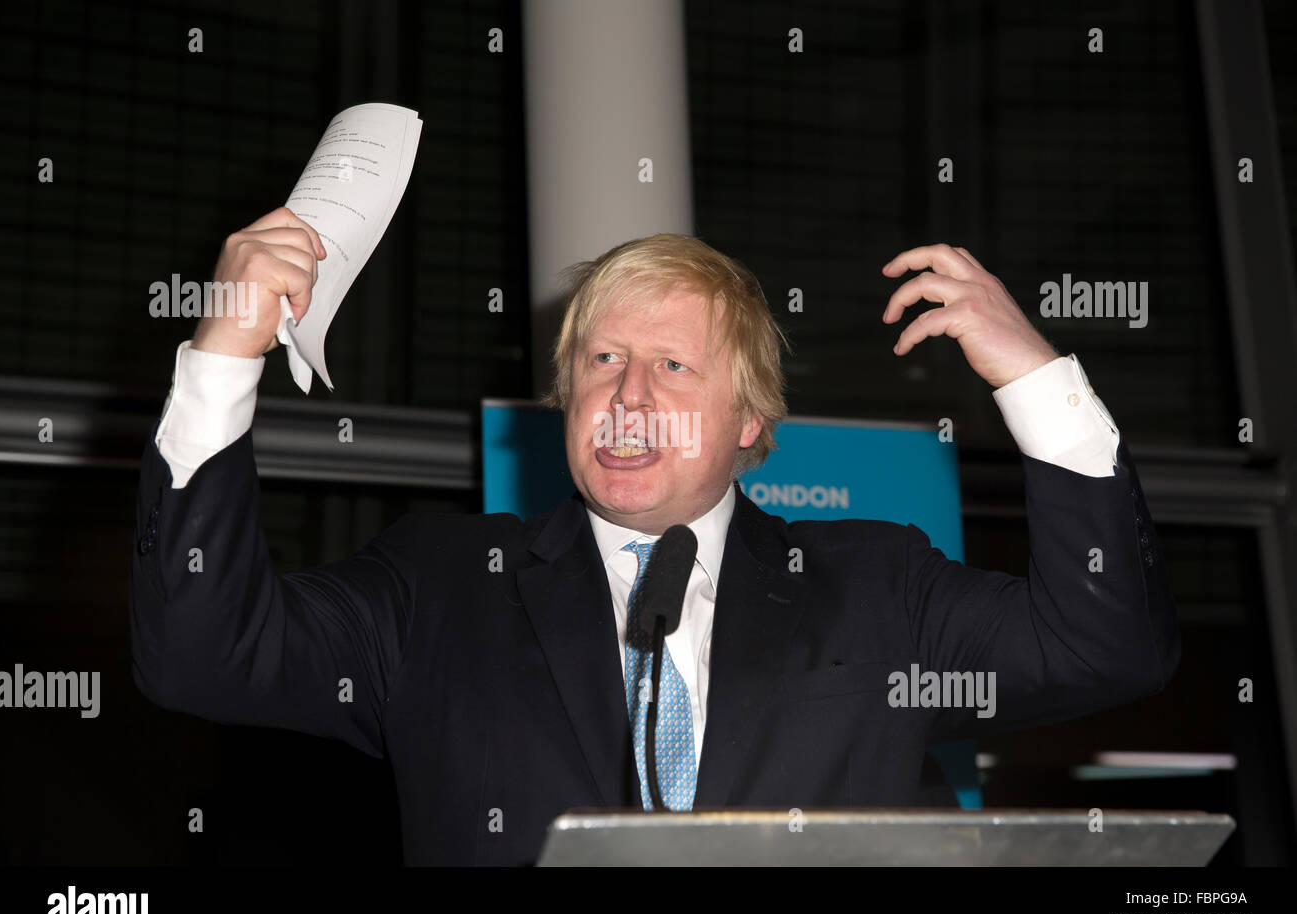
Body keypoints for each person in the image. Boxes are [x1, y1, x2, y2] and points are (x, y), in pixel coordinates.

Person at [130, 208, 1180, 865]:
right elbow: (201, 653)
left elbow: (1108, 644)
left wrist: (1036, 379)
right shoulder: (438, 584)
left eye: (674, 367)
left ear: (749, 425)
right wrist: (223, 356)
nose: (627, 393)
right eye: (600, 360)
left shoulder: (877, 584)